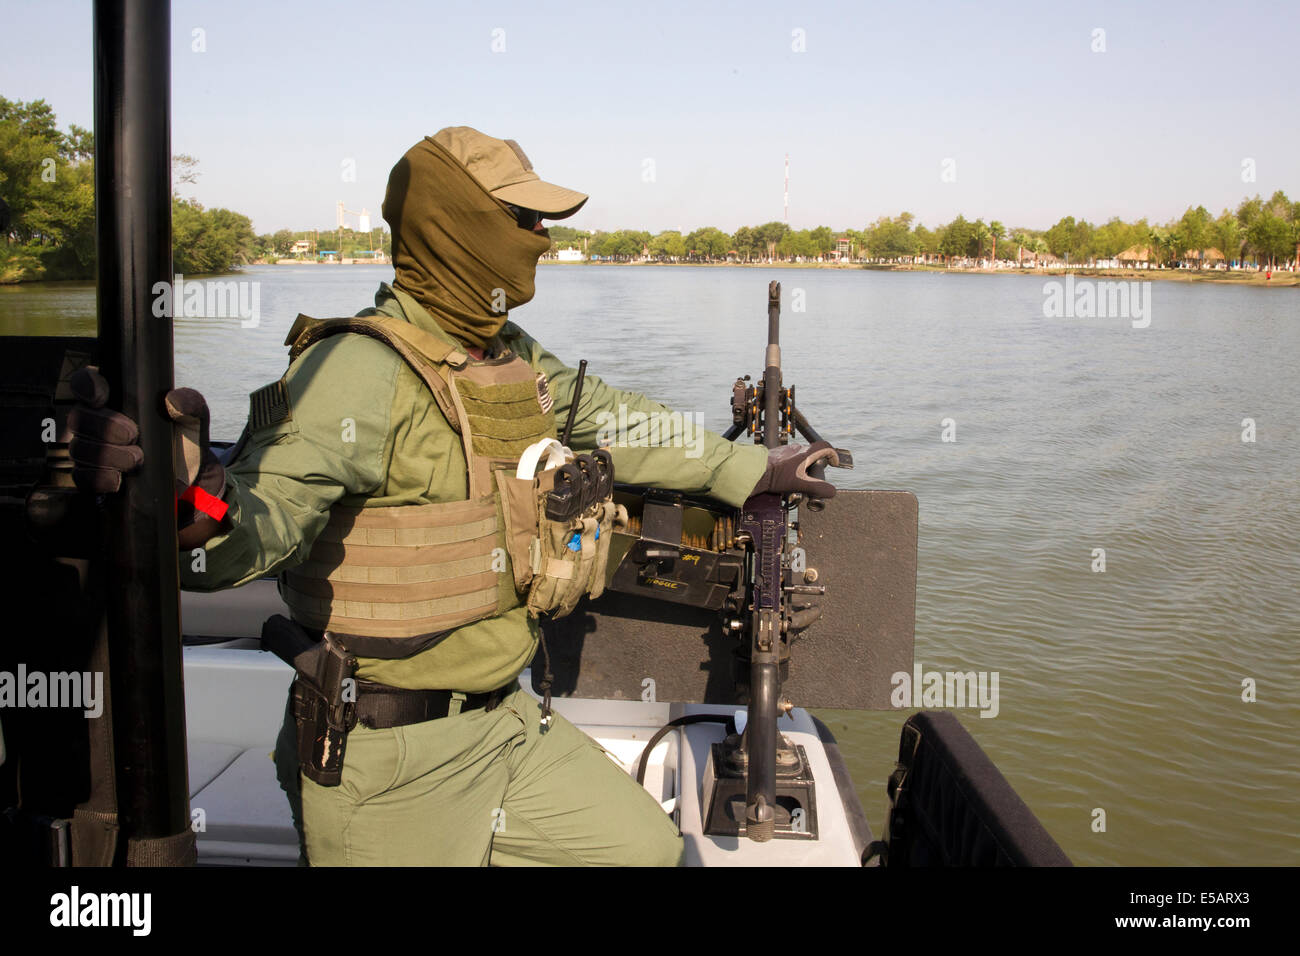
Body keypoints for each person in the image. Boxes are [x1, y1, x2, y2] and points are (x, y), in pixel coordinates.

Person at [68, 126, 836, 866]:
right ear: (456, 225)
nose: (541, 235)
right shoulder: (356, 368)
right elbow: (255, 528)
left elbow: (612, 417)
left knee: (641, 849)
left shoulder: (506, 357)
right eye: (522, 218)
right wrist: (192, 505)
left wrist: (753, 473)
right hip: (390, 759)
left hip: (503, 721)